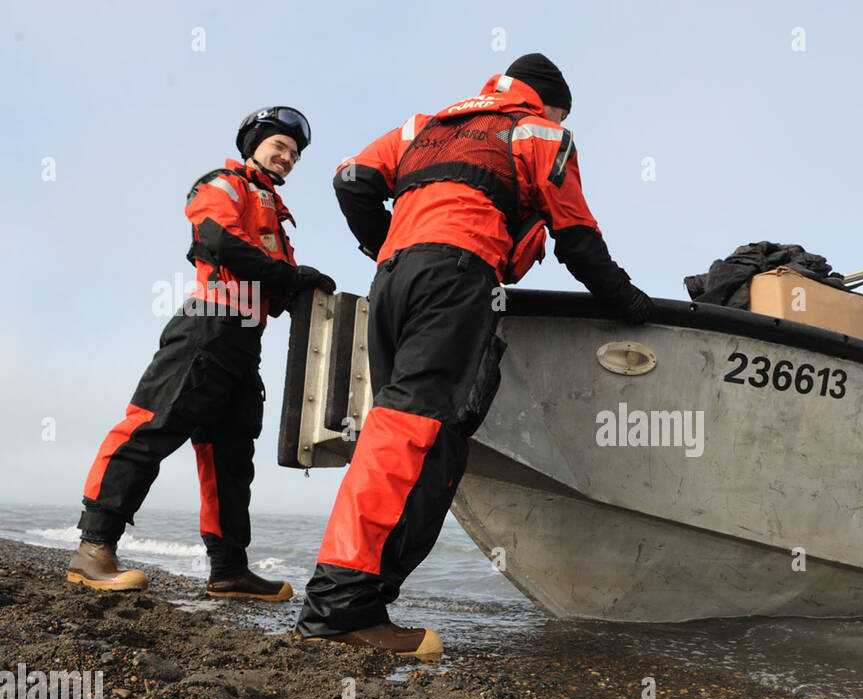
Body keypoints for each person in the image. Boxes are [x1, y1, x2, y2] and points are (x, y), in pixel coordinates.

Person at [296, 53, 652, 657]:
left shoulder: (423, 126)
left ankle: (364, 601)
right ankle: (339, 609)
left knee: (413, 437)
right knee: (409, 436)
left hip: (393, 283)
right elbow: (578, 237)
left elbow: (350, 178)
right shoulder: (542, 130)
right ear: (550, 101)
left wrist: (385, 244)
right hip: (456, 278)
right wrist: (630, 302)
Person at [69, 107, 336, 597]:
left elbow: (275, 286)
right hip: (205, 328)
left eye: (295, 156)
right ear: (254, 143)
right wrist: (289, 277)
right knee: (151, 427)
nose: (287, 159)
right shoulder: (223, 183)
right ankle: (93, 548)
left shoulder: (274, 212)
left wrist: (302, 288)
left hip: (243, 343)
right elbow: (217, 239)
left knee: (230, 456)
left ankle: (229, 570)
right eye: (279, 146)